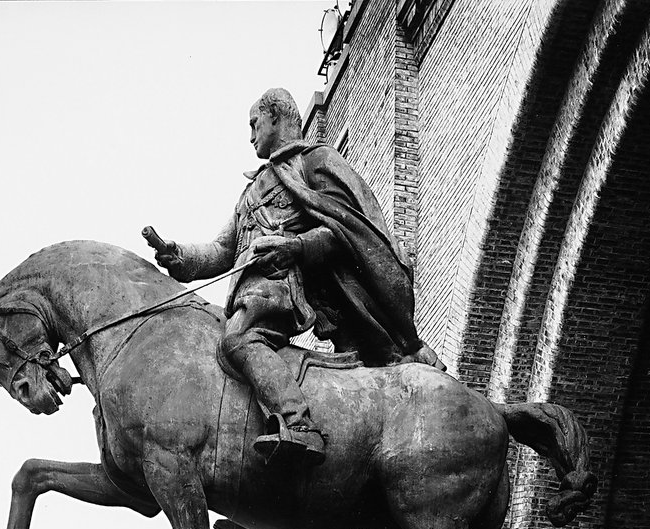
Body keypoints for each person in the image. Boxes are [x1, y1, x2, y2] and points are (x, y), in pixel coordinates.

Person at [150, 88, 444, 465]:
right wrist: (180, 256)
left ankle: (298, 424)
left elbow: (348, 230)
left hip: (278, 292)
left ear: (275, 116)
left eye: (254, 124)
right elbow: (223, 250)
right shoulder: (252, 190)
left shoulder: (315, 161)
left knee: (238, 340)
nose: (250, 136)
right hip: (247, 296)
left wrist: (297, 247)